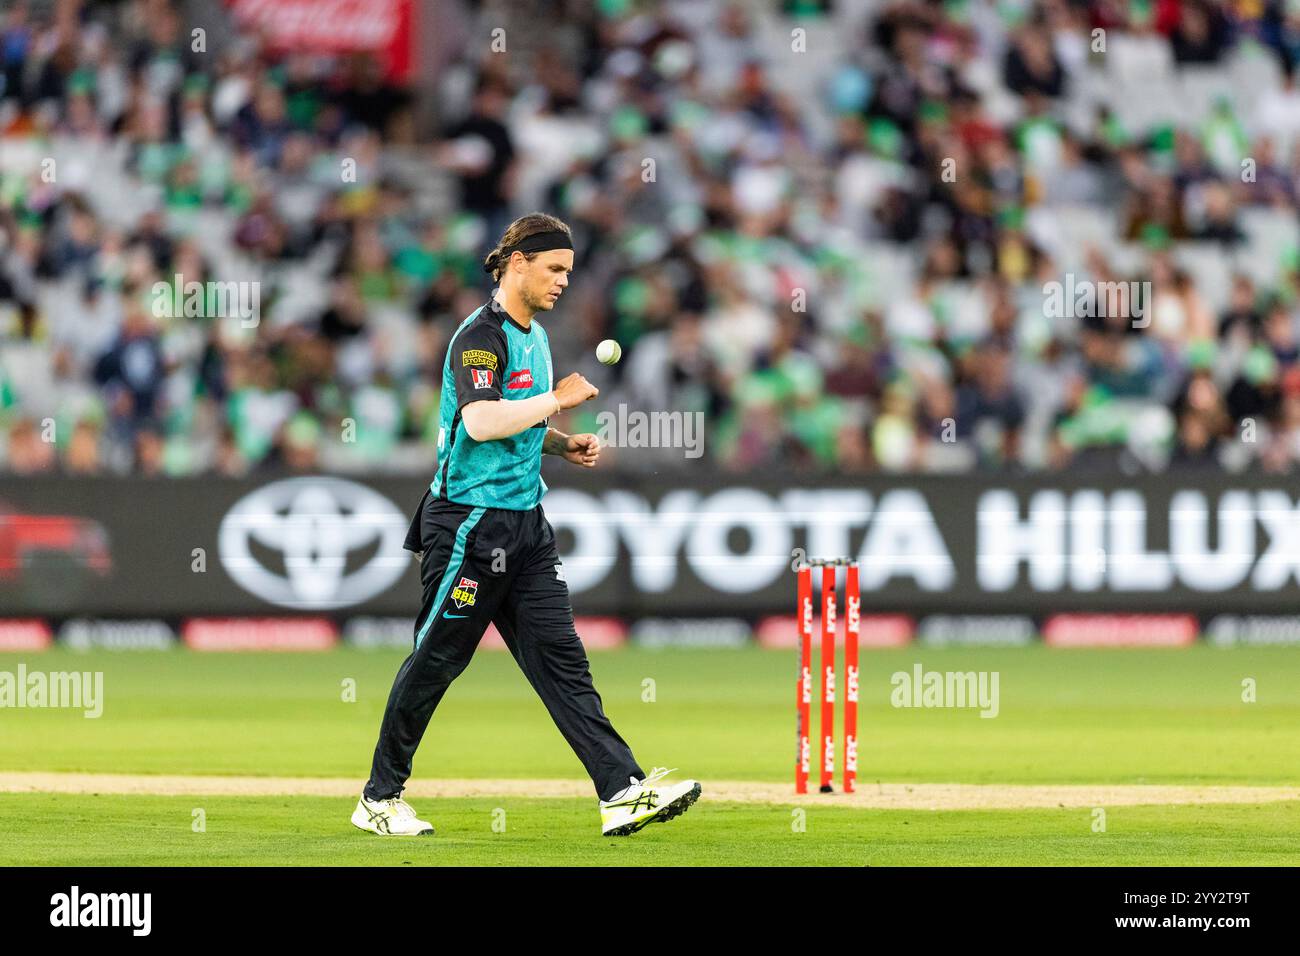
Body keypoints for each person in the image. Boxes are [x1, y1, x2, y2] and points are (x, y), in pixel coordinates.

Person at [351, 213, 701, 837]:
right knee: (437, 659)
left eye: (568, 270)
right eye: (554, 269)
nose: (565, 281)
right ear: (518, 264)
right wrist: (558, 401)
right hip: (469, 526)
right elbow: (482, 422)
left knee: (562, 660)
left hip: (525, 525)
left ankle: (620, 790)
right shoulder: (479, 338)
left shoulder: (534, 336)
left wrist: (561, 445)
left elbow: (518, 425)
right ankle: (379, 797)